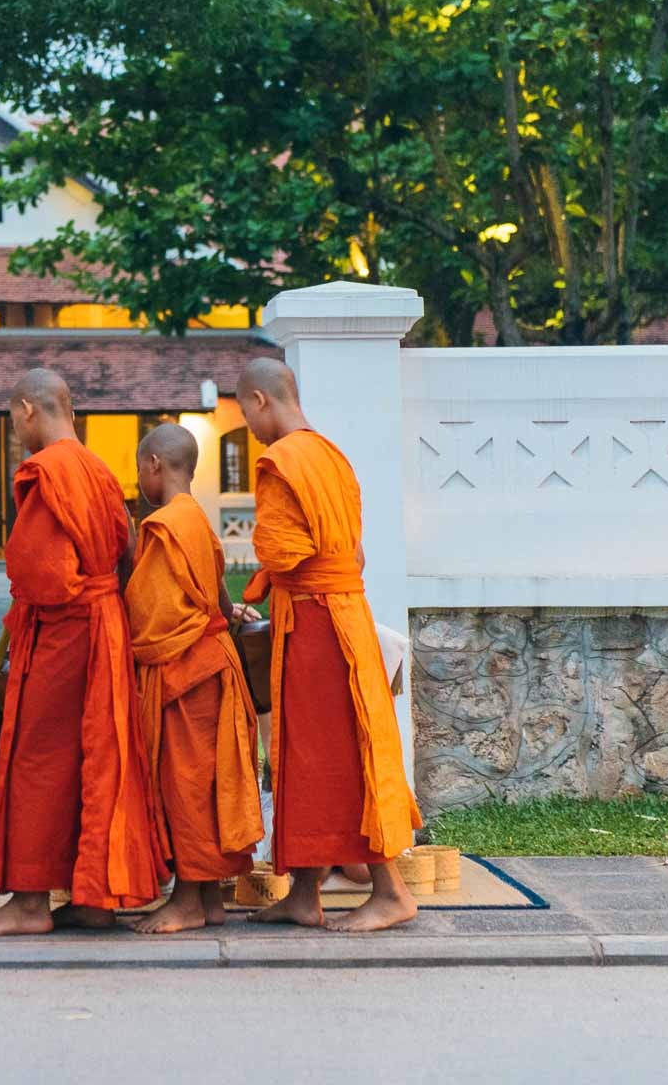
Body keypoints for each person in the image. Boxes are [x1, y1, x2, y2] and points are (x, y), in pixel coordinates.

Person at [0, 369, 166, 937]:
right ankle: (94, 897)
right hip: (104, 626)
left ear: (29, 409)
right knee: (97, 758)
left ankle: (30, 903)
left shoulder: (45, 472)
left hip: (62, 630)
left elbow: (40, 574)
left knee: (37, 759)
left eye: (12, 419)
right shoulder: (99, 470)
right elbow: (125, 551)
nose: (14, 430)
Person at [238, 357, 422, 932]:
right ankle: (304, 893)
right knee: (308, 756)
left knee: (339, 755)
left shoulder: (280, 461)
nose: (246, 423)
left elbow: (279, 551)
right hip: (341, 613)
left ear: (261, 400)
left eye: (244, 409)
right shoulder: (331, 456)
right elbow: (354, 552)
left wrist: (266, 577)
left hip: (318, 625)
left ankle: (391, 891)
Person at [123, 424, 264, 934]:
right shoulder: (196, 519)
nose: (139, 477)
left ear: (155, 464)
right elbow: (217, 596)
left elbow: (151, 615)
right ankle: (208, 899)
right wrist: (233, 613)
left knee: (184, 788)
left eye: (141, 467)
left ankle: (186, 899)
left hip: (185, 671)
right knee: (206, 785)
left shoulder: (164, 526)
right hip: (213, 664)